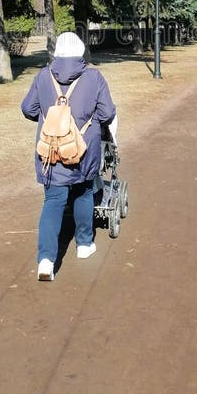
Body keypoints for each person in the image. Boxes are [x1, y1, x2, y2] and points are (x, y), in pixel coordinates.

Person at [21, 31, 116, 281]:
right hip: (83, 149)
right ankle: (84, 244)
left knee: (53, 201)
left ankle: (45, 261)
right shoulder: (94, 77)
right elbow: (107, 114)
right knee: (84, 192)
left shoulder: (43, 76)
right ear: (81, 52)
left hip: (51, 152)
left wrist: (49, 117)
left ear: (57, 53)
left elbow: (28, 109)